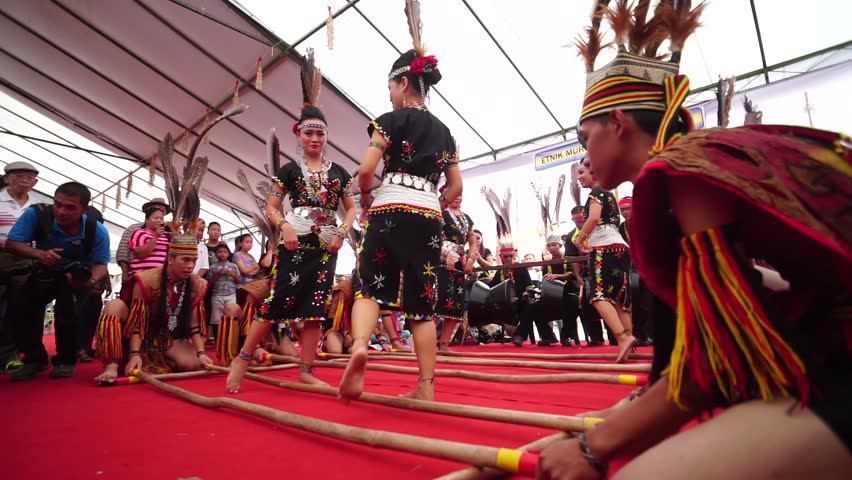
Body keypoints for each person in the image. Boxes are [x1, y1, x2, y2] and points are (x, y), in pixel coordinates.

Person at [536, 3, 852, 478]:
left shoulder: (683, 172)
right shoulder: (692, 164)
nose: (585, 156)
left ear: (617, 124)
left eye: (585, 138)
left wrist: (591, 447)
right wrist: (633, 411)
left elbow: (720, 360)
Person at [338, 5, 462, 403]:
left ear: (404, 83)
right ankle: (426, 386)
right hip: (428, 214)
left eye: (390, 87)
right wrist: (432, 201)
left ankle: (359, 346)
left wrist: (370, 197)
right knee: (422, 303)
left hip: (389, 208)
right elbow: (455, 185)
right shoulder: (446, 133)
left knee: (370, 289)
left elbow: (365, 169)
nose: (388, 95)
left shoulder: (388, 122)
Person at [226, 48, 356, 393]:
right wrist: (283, 226)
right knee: (277, 302)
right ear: (299, 135)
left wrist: (343, 230)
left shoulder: (340, 172)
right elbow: (271, 206)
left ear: (326, 137)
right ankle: (242, 358)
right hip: (294, 241)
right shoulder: (288, 170)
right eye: (309, 134)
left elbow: (352, 208)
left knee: (316, 307)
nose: (315, 140)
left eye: (321, 134)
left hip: (327, 244)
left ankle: (306, 368)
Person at [6, 182, 110, 380]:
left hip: (75, 277)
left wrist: (91, 281)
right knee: (22, 308)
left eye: (70, 207)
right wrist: (40, 254)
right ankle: (34, 359)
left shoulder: (96, 230)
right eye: (58, 204)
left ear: (85, 209)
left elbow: (100, 263)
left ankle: (65, 360)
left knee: (69, 313)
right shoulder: (36, 214)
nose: (61, 211)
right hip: (43, 269)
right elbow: (12, 243)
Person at [93, 228, 213, 383]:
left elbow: (194, 324)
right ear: (170, 259)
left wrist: (201, 352)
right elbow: (137, 323)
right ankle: (112, 365)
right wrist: (134, 353)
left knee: (191, 364)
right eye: (186, 260)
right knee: (113, 306)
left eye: (194, 260)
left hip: (163, 337)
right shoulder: (146, 279)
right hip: (131, 334)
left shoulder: (197, 284)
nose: (191, 266)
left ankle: (159, 358)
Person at [574, 156, 633, 362]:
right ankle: (628, 340)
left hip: (604, 248)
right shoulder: (609, 195)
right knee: (617, 298)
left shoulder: (596, 194)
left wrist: (581, 239)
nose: (579, 178)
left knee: (598, 297)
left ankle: (622, 338)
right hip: (620, 248)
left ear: (594, 171)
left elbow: (593, 218)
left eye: (581, 172)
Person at [0, 161, 40, 373]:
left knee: (19, 308)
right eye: (19, 176)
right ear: (7, 178)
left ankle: (11, 353)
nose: (25, 180)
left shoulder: (37, 206)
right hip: (1, 256)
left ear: (35, 183)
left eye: (29, 177)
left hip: (27, 259)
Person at [435, 191, 474, 352]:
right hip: (440, 261)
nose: (457, 197)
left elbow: (472, 242)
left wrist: (471, 259)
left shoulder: (467, 218)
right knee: (438, 301)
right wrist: (446, 254)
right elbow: (433, 237)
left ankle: (444, 344)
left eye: (460, 194)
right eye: (454, 194)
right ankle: (427, 345)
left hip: (460, 263)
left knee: (455, 303)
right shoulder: (439, 213)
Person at [114, 198, 171, 285]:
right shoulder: (134, 229)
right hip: (138, 275)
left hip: (160, 278)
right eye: (157, 207)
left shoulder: (167, 233)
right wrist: (125, 274)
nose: (160, 210)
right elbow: (123, 252)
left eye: (163, 210)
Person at [542, 234, 580, 346]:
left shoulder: (567, 258)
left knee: (573, 304)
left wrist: (556, 276)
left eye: (554, 245)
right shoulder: (546, 262)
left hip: (568, 292)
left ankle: (565, 335)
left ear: (560, 245)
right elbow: (545, 279)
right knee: (535, 307)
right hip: (551, 294)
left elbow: (571, 274)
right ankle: (547, 336)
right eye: (549, 246)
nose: (552, 248)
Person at [127, 206, 169, 277]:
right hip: (142, 276)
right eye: (155, 218)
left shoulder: (165, 236)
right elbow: (140, 254)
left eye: (161, 219)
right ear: (146, 219)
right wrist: (156, 237)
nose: (159, 220)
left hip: (160, 276)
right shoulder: (140, 233)